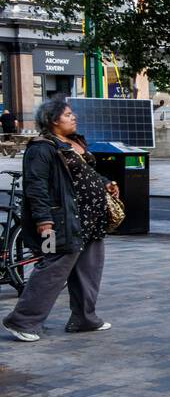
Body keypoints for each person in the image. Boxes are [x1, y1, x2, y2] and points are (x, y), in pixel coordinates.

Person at [3, 97, 118, 342]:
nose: (73, 117)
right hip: (61, 221)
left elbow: (86, 174)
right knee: (51, 270)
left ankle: (84, 319)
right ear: (53, 120)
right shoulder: (41, 148)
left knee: (89, 270)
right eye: (67, 114)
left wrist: (106, 183)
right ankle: (22, 321)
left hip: (89, 221)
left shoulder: (74, 142)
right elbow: (36, 187)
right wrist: (44, 221)